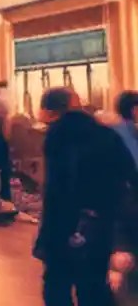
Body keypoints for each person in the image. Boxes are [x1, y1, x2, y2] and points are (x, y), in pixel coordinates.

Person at [36, 87, 134, 306]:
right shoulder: (108, 134)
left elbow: (56, 189)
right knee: (94, 287)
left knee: (56, 286)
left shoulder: (56, 136)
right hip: (101, 223)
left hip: (64, 224)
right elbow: (129, 177)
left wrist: (46, 240)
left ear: (51, 112)